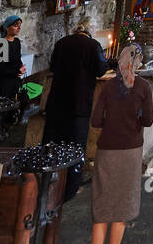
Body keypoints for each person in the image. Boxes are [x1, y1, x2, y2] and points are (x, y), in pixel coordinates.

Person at [80, 43, 153, 244]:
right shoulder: (143, 87)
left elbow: (96, 120)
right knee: (121, 210)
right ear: (139, 62)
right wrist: (135, 118)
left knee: (101, 208)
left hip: (107, 150)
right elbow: (149, 120)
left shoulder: (110, 87)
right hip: (130, 150)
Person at [42, 19, 107, 201]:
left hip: (57, 102)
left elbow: (53, 66)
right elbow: (101, 69)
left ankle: (46, 181)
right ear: (90, 30)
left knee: (52, 143)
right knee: (76, 146)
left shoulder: (62, 43)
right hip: (79, 104)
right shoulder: (93, 45)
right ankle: (70, 188)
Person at [0, 15, 27, 104]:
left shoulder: (16, 42)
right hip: (4, 84)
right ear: (7, 28)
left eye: (20, 25)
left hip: (15, 81)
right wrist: (17, 70)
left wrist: (22, 68)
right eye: (16, 25)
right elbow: (0, 70)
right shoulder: (2, 44)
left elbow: (18, 59)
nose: (19, 28)